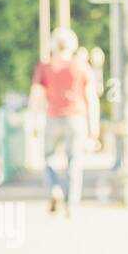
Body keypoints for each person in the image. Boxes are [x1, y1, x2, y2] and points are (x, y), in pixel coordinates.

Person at [29, 28, 99, 217]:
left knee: (49, 157)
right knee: (74, 161)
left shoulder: (45, 66)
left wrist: (34, 121)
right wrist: (94, 129)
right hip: (77, 119)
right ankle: (71, 204)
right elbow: (91, 99)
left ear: (53, 45)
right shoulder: (81, 66)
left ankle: (55, 189)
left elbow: (36, 96)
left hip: (52, 117)